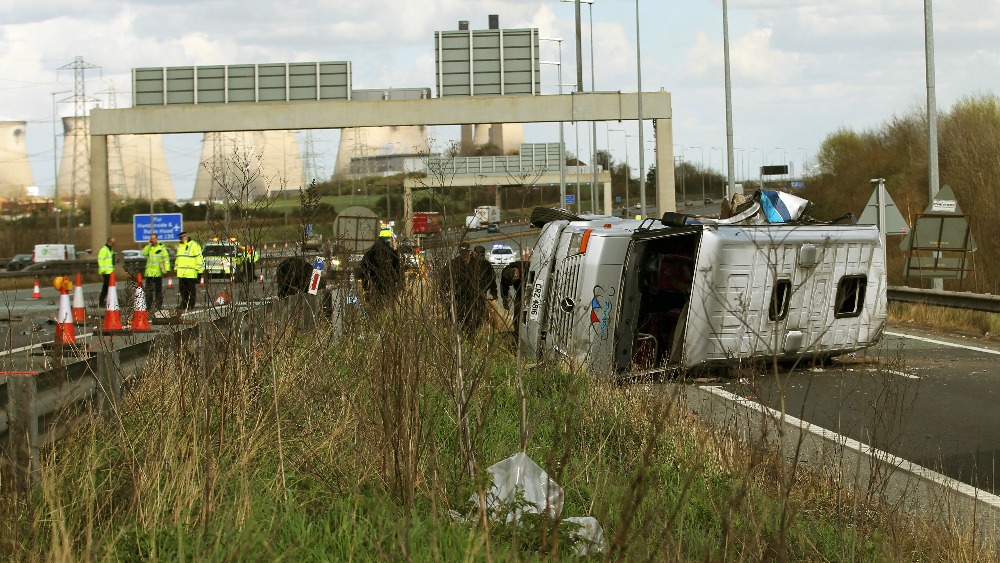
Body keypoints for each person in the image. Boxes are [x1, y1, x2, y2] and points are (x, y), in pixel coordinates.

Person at [439, 242, 495, 335]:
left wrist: (488, 291)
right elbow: (444, 279)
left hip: (476, 298)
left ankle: (471, 339)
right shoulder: (454, 264)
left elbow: (488, 277)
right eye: (462, 253)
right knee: (461, 322)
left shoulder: (478, 263)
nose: (464, 255)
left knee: (476, 321)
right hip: (460, 298)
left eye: (466, 252)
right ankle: (463, 340)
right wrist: (444, 294)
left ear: (469, 252)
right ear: (459, 253)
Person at [357, 236, 404, 307]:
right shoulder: (391, 252)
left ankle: (373, 300)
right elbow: (397, 266)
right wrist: (398, 279)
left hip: (374, 279)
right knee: (388, 298)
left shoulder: (370, 252)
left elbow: (364, 265)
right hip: (389, 279)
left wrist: (366, 280)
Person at [175, 231, 204, 311]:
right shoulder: (180, 246)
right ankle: (184, 305)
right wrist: (176, 269)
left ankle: (191, 305)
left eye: (182, 237)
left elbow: (199, 258)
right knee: (182, 290)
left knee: (191, 290)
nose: (181, 239)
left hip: (191, 273)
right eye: (180, 238)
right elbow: (178, 258)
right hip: (181, 273)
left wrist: (199, 270)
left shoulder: (194, 245)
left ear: (186, 237)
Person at [141, 234, 170, 310]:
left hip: (158, 273)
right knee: (148, 291)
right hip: (149, 273)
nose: (152, 240)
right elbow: (143, 253)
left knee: (158, 291)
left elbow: (166, 259)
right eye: (151, 239)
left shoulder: (161, 248)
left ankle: (158, 305)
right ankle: (148, 306)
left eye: (154, 239)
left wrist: (166, 269)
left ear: (157, 239)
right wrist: (148, 246)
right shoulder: (149, 248)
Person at [500, 260, 526, 327]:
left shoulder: (526, 268)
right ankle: (517, 328)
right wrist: (505, 303)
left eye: (514, 281)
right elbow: (504, 288)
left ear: (516, 274)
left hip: (529, 289)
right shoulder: (505, 273)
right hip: (519, 291)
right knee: (517, 308)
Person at [97, 237, 116, 308]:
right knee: (107, 287)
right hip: (106, 272)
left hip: (110, 272)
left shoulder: (110, 250)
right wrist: (103, 270)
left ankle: (103, 301)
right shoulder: (104, 250)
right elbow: (100, 260)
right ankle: (104, 301)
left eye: (114, 243)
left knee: (106, 287)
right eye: (112, 242)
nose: (113, 244)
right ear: (109, 242)